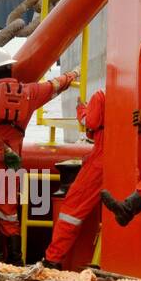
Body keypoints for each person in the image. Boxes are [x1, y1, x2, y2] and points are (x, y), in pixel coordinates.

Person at [0, 48, 78, 263]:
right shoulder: (29, 92)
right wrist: (73, 75)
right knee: (9, 209)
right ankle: (15, 260)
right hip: (13, 161)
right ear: (10, 68)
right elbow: (54, 86)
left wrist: (1, 151)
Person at [41, 89, 106, 269]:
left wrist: (81, 109)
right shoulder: (134, 97)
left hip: (102, 159)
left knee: (71, 210)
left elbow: (90, 123)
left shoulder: (101, 96)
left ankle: (53, 260)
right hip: (128, 159)